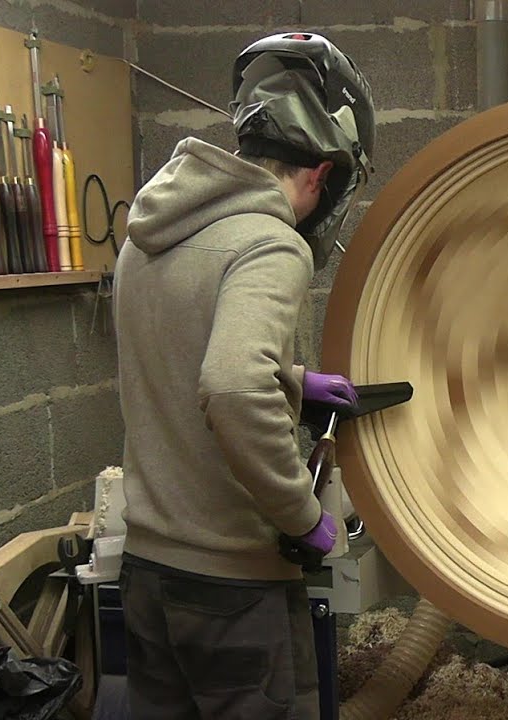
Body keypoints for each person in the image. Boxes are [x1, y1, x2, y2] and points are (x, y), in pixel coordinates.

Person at [112, 32, 375, 719]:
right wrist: (303, 514)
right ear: (321, 174)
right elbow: (230, 387)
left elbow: (176, 348)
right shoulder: (270, 243)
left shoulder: (151, 233)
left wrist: (291, 379)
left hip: (146, 572)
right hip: (230, 587)